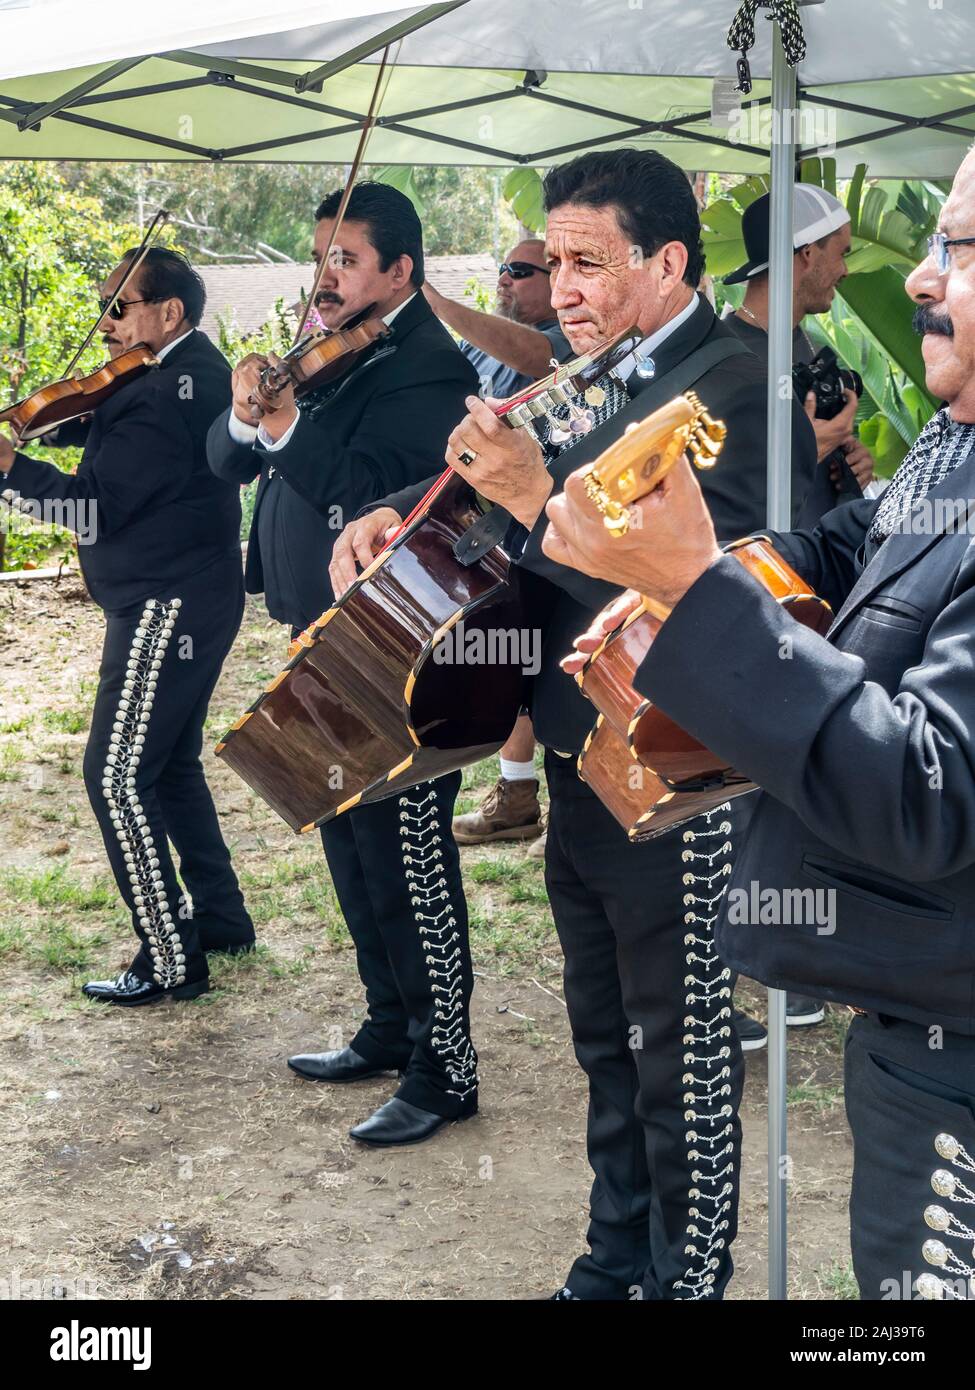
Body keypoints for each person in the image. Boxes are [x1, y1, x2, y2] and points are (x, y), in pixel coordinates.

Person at [330, 148, 831, 1299]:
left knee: (684, 1053)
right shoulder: (586, 375)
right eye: (553, 262)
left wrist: (525, 491)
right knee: (606, 1034)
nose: (559, 288)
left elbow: (736, 591)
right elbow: (526, 525)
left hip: (680, 771)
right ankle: (614, 1259)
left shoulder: (739, 380)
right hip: (575, 750)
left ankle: (686, 1279)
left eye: (588, 263)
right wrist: (391, 518)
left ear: (667, 261)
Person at [544, 147, 975, 1302]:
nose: (923, 281)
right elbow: (843, 544)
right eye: (931, 245)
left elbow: (929, 789)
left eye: (960, 250)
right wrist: (691, 589)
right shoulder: (952, 440)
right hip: (910, 1020)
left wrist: (698, 589)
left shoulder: (736, 375)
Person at [207, 181, 481, 1148]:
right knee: (344, 832)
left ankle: (445, 1066)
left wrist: (287, 428)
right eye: (320, 257)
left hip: (393, 643)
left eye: (346, 262)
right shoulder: (321, 351)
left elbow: (368, 495)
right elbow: (224, 462)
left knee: (407, 850)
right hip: (311, 627)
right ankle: (388, 1023)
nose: (324, 280)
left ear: (400, 270)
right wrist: (251, 415)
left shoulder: (426, 366)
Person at [0, 247, 255, 1005]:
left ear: (167, 312)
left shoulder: (171, 390)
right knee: (168, 766)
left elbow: (94, 507)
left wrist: (11, 470)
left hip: (165, 602)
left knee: (113, 777)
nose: (104, 324)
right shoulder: (180, 369)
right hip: (188, 594)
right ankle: (220, 918)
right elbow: (116, 431)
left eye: (119, 306)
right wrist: (51, 425)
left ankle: (171, 956)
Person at [723, 185, 881, 1046]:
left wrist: (842, 463)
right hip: (736, 606)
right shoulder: (723, 360)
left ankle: (788, 971)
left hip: (812, 610)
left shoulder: (808, 351)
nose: (847, 268)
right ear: (802, 254)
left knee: (779, 788)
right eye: (839, 250)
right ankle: (739, 977)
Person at [427, 240, 572, 853]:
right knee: (519, 667)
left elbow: (537, 355)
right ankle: (518, 797)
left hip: (553, 525)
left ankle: (563, 809)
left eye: (520, 271)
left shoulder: (562, 343)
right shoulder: (481, 349)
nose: (505, 281)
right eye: (501, 270)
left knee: (558, 668)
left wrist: (434, 302)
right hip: (491, 530)